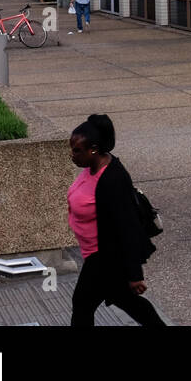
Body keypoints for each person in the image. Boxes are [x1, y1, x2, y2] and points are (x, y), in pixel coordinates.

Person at [67, 114, 164, 326]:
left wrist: (134, 274)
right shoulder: (90, 167)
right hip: (98, 253)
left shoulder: (113, 179)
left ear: (93, 149)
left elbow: (127, 228)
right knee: (127, 301)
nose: (72, 155)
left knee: (82, 303)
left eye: (77, 150)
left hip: (104, 257)